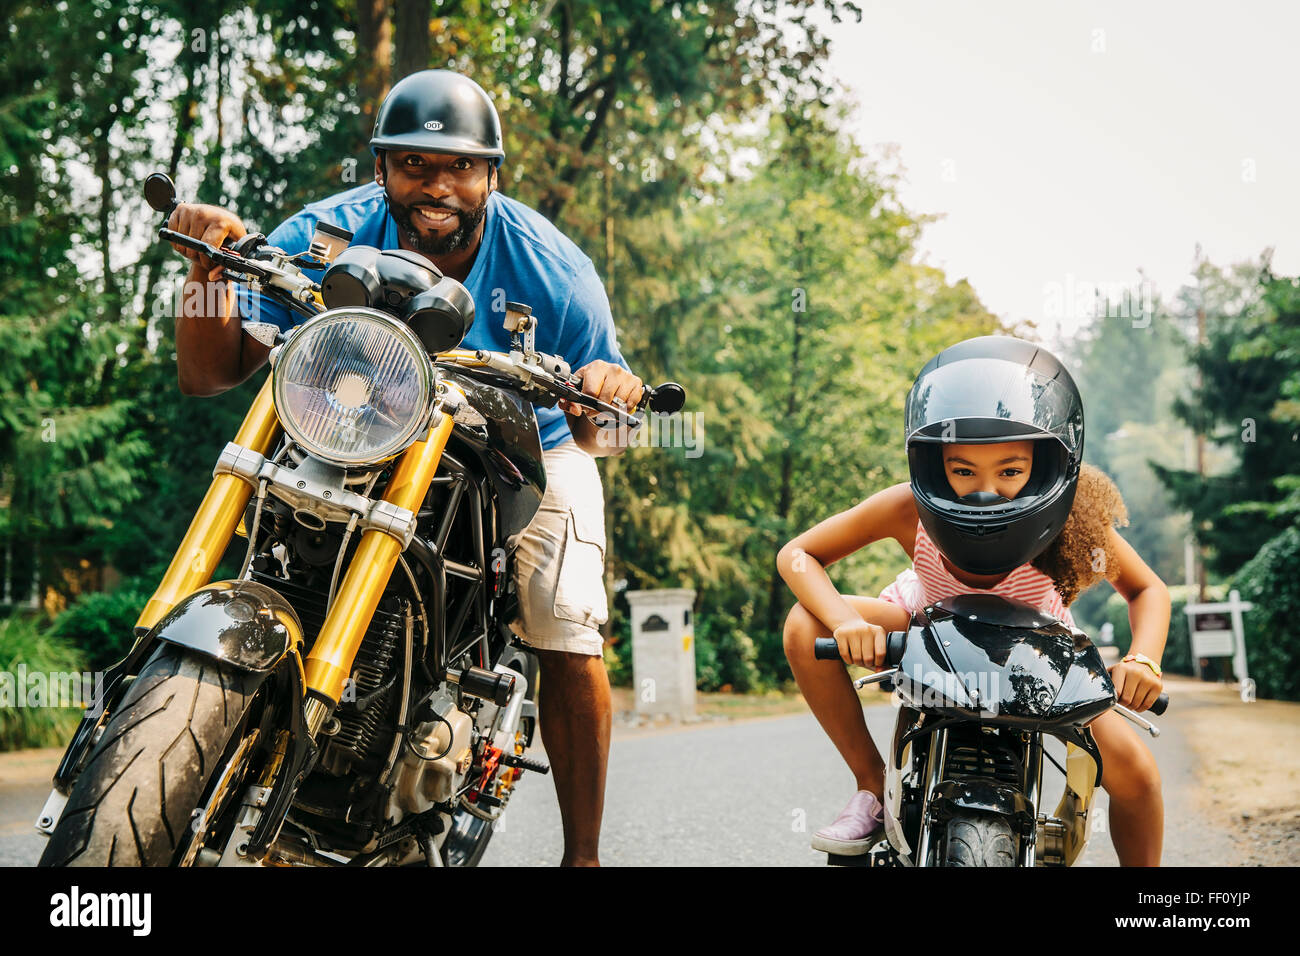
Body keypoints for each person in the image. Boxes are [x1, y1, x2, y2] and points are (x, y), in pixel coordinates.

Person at [164, 69, 643, 866]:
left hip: (524, 445)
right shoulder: (322, 235)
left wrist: (604, 394)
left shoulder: (555, 270)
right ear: (381, 166)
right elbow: (206, 377)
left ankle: (583, 855)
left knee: (561, 619)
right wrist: (204, 274)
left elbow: (603, 433)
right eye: (416, 164)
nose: (438, 185)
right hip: (352, 429)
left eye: (460, 166)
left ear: (491, 174)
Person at [777, 335, 1170, 866]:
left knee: (1139, 779)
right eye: (963, 472)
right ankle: (870, 786)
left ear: (1049, 462)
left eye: (1011, 471)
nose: (987, 491)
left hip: (1041, 654)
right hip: (927, 623)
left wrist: (1143, 657)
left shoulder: (1074, 516)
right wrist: (845, 622)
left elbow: (1147, 589)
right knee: (805, 624)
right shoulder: (908, 507)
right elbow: (798, 555)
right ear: (935, 464)